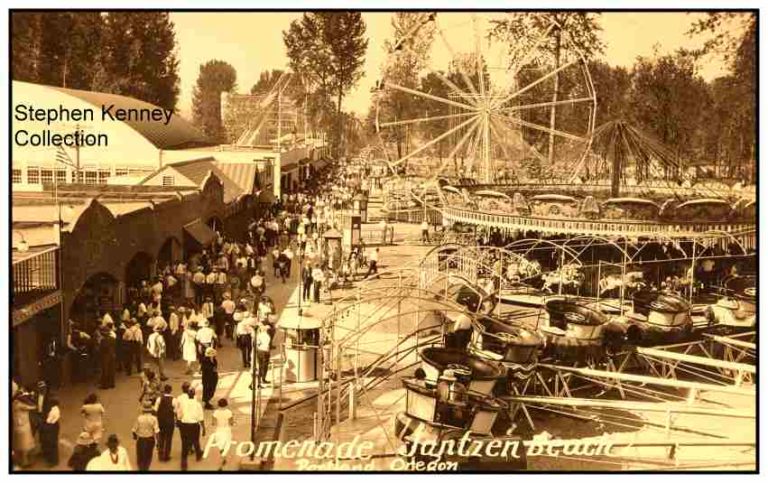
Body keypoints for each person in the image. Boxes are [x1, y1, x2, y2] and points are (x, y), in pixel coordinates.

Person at [178, 387, 205, 471]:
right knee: (196, 440)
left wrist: (180, 421)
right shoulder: (197, 404)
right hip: (194, 425)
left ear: (187, 395)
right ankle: (198, 455)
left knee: (184, 443)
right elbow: (201, 418)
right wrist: (204, 428)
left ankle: (184, 463)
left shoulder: (183, 404)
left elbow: (179, 414)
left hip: (184, 424)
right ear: (194, 395)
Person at [132, 400, 160, 471]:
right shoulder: (154, 419)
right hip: (150, 440)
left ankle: (141, 469)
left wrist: (135, 437)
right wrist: (158, 443)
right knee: (148, 457)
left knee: (140, 457)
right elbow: (157, 431)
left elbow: (134, 430)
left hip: (141, 440)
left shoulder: (139, 418)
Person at [12, 391, 37, 467]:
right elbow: (33, 407)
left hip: (17, 427)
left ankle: (20, 460)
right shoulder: (20, 404)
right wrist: (30, 398)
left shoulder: (13, 403)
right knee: (25, 446)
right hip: (23, 428)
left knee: (19, 445)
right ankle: (24, 462)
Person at [209, 398, 234, 470]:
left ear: (218, 404)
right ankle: (223, 457)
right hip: (226, 430)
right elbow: (231, 423)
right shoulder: (229, 412)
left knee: (221, 445)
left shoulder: (216, 412)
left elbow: (213, 423)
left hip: (219, 430)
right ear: (226, 404)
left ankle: (223, 457)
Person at [154, 384, 176, 462]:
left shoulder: (159, 399)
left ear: (164, 390)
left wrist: (157, 419)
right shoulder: (173, 399)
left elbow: (155, 410)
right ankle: (166, 455)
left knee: (161, 438)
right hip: (170, 421)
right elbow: (176, 411)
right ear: (170, 390)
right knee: (169, 439)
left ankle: (160, 454)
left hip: (161, 421)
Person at [39, 395, 61, 467]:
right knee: (52, 442)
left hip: (51, 426)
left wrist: (43, 424)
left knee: (52, 443)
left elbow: (49, 421)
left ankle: (53, 461)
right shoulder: (55, 409)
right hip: (54, 425)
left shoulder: (53, 411)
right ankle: (51, 458)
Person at [99, 324, 117, 389]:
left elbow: (101, 349)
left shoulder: (103, 340)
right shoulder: (113, 339)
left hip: (105, 356)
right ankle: (112, 384)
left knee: (105, 370)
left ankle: (105, 385)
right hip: (112, 355)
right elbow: (115, 347)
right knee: (111, 370)